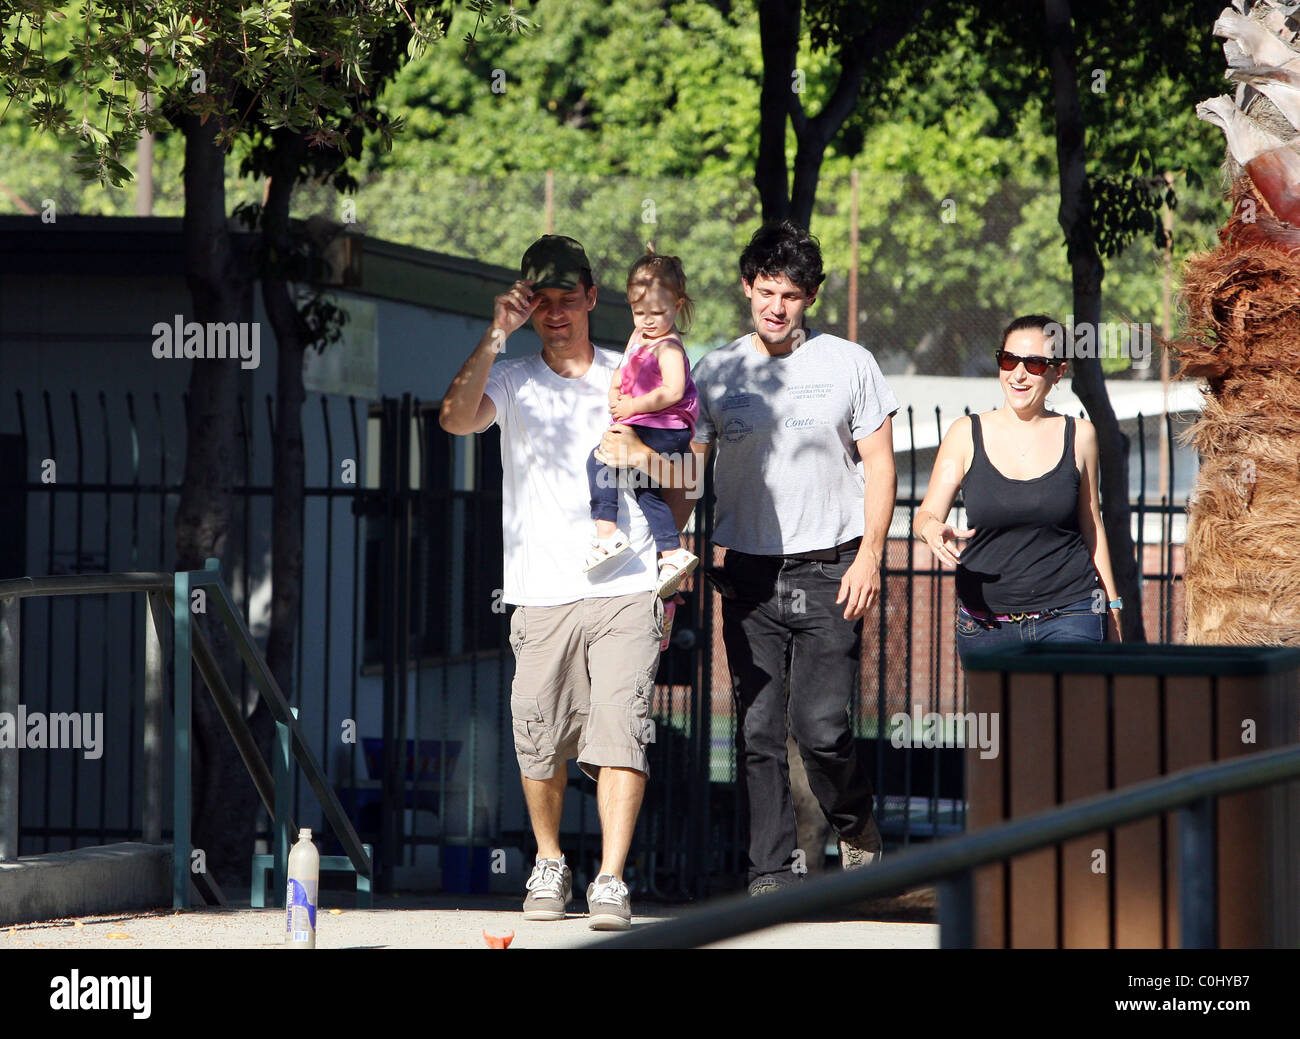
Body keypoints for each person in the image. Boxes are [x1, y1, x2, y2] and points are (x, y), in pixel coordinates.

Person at [598, 220, 899, 896]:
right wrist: (665, 547)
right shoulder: (716, 370)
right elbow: (691, 479)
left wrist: (870, 556)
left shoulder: (851, 363)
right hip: (746, 572)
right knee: (758, 731)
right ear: (745, 288)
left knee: (820, 728)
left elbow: (880, 466)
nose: (776, 306)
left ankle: (855, 823)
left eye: (791, 295)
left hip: (832, 567)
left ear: (811, 297)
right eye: (765, 291)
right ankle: (769, 873)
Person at [438, 235, 663, 931]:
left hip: (627, 580)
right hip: (540, 589)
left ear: (595, 298)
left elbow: (685, 460)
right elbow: (454, 418)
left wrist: (670, 548)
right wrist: (494, 335)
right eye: (543, 301)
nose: (557, 313)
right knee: (537, 730)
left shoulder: (631, 372)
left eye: (569, 299)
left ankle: (610, 878)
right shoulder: (512, 377)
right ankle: (548, 859)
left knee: (621, 726)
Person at [912, 314, 1123, 662]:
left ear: (1058, 371)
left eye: (1035, 364)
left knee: (1064, 717)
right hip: (986, 626)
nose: (1018, 374)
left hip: (1071, 615)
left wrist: (1113, 608)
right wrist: (931, 528)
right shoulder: (965, 433)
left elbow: (1092, 526)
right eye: (1009, 360)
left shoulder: (1080, 435)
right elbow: (926, 514)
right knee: (1000, 719)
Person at [584, 251, 700, 597]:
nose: (648, 320)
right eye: (639, 312)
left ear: (677, 306)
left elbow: (674, 390)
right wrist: (615, 390)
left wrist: (634, 404)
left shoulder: (668, 347)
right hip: (648, 423)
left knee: (600, 457)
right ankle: (672, 551)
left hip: (666, 428)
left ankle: (606, 533)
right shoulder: (639, 336)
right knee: (644, 488)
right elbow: (624, 368)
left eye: (657, 313)